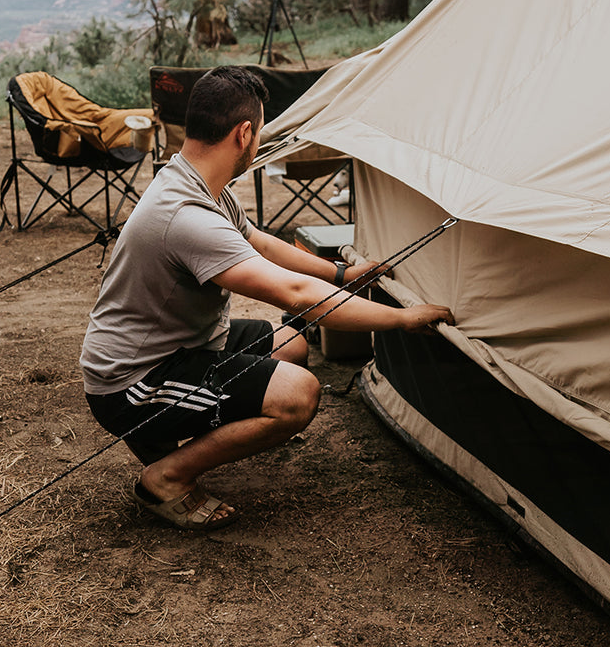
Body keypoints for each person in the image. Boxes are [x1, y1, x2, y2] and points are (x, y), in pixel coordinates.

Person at [80, 65, 453, 531]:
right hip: (132, 385)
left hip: (179, 349)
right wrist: (400, 318)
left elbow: (259, 241)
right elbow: (294, 293)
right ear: (245, 133)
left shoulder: (195, 181)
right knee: (298, 396)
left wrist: (342, 272)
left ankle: (176, 436)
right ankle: (165, 476)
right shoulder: (187, 215)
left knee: (292, 347)